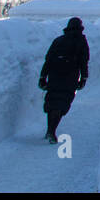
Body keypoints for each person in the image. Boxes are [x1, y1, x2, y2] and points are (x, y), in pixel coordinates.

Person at [38, 16, 90, 144]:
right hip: (70, 77)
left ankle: (50, 129)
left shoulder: (58, 41)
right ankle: (52, 131)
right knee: (62, 103)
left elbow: (48, 60)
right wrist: (83, 78)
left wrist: (43, 76)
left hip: (54, 76)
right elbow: (84, 62)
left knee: (52, 101)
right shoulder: (81, 42)